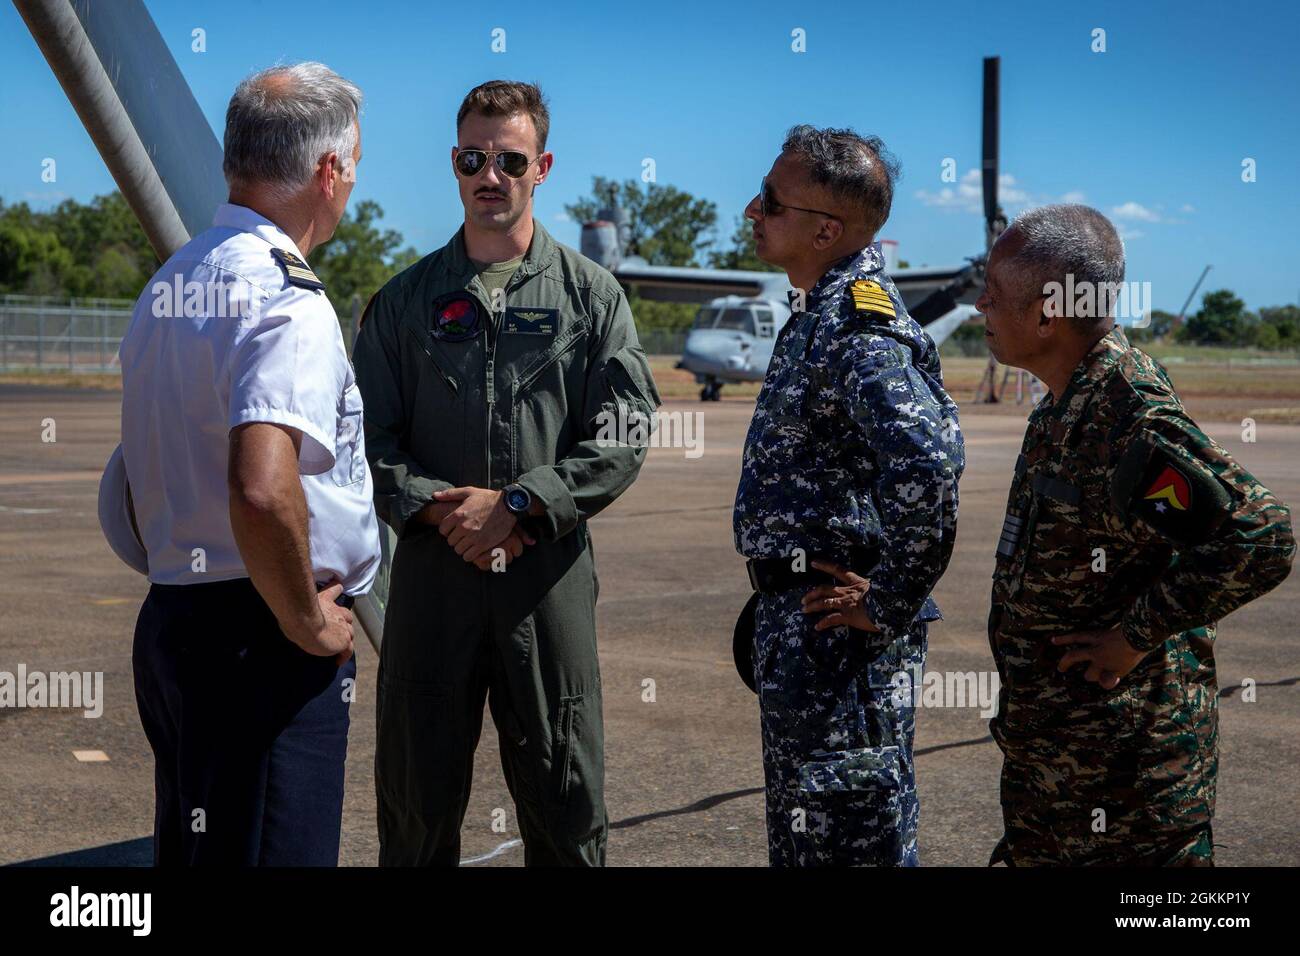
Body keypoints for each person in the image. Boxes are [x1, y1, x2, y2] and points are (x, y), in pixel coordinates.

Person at [353, 80, 660, 866]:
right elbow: (366, 437)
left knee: (566, 799)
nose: (491, 174)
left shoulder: (592, 298)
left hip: (543, 581)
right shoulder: (403, 303)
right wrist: (443, 512)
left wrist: (523, 503)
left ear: (542, 166)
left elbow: (622, 432)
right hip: (431, 580)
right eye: (473, 157)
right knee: (416, 808)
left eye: (510, 158)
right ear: (454, 165)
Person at [978, 203, 1295, 865]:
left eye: (994, 292)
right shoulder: (1065, 404)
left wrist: (1133, 637)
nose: (980, 305)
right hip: (1057, 785)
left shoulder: (1128, 418)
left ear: (1046, 314)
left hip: (1127, 798)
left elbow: (1260, 537)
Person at [120, 63, 379, 865]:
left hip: (174, 624)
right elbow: (263, 490)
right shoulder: (286, 299)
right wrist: (306, 620)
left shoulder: (171, 283)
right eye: (356, 163)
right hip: (260, 642)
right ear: (328, 171)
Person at [732, 126, 964, 866]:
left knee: (851, 840)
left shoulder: (858, 328)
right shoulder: (818, 314)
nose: (751, 209)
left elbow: (926, 467)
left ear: (827, 230)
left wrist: (888, 601)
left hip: (844, 646)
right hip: (806, 634)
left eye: (771, 200)